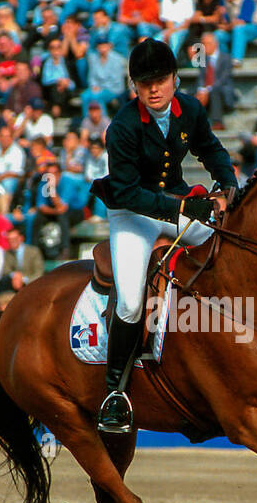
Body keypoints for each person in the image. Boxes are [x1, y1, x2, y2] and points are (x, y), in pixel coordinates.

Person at [89, 39, 237, 433]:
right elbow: (126, 192)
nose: (154, 89)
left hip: (174, 207)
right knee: (132, 304)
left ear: (174, 79)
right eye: (144, 82)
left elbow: (211, 148)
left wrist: (227, 183)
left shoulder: (189, 108)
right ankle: (114, 393)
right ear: (134, 86)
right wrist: (184, 208)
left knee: (225, 247)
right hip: (132, 215)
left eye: (160, 80)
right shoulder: (121, 127)